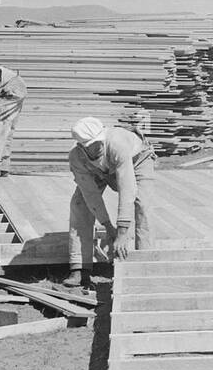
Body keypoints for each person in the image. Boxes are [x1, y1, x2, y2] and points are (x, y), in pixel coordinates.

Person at [63, 117, 156, 290]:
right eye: (92, 144)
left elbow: (127, 188)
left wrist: (121, 232)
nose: (98, 146)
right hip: (100, 169)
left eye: (100, 142)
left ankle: (145, 264)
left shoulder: (116, 144)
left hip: (138, 160)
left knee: (143, 205)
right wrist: (108, 227)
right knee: (79, 204)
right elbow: (90, 195)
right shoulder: (76, 157)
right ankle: (79, 267)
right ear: (82, 145)